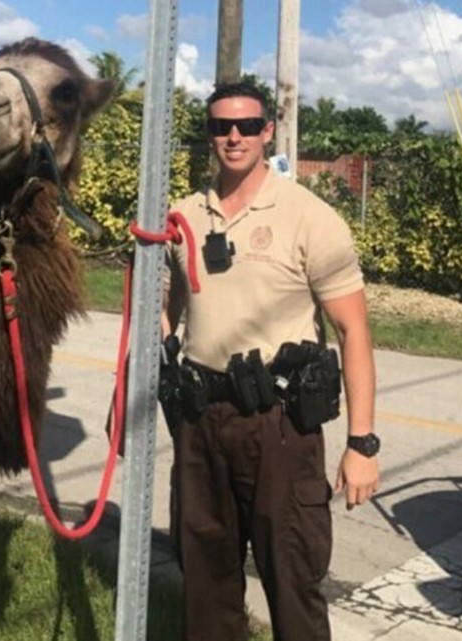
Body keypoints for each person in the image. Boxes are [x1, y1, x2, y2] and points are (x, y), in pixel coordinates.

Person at [161, 81, 381, 641]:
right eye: (220, 127)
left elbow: (353, 330)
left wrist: (362, 444)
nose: (233, 137)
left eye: (245, 126)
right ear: (209, 134)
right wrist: (137, 385)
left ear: (267, 131)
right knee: (204, 583)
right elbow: (163, 311)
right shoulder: (183, 217)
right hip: (201, 424)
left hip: (278, 428)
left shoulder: (309, 217)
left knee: (293, 578)